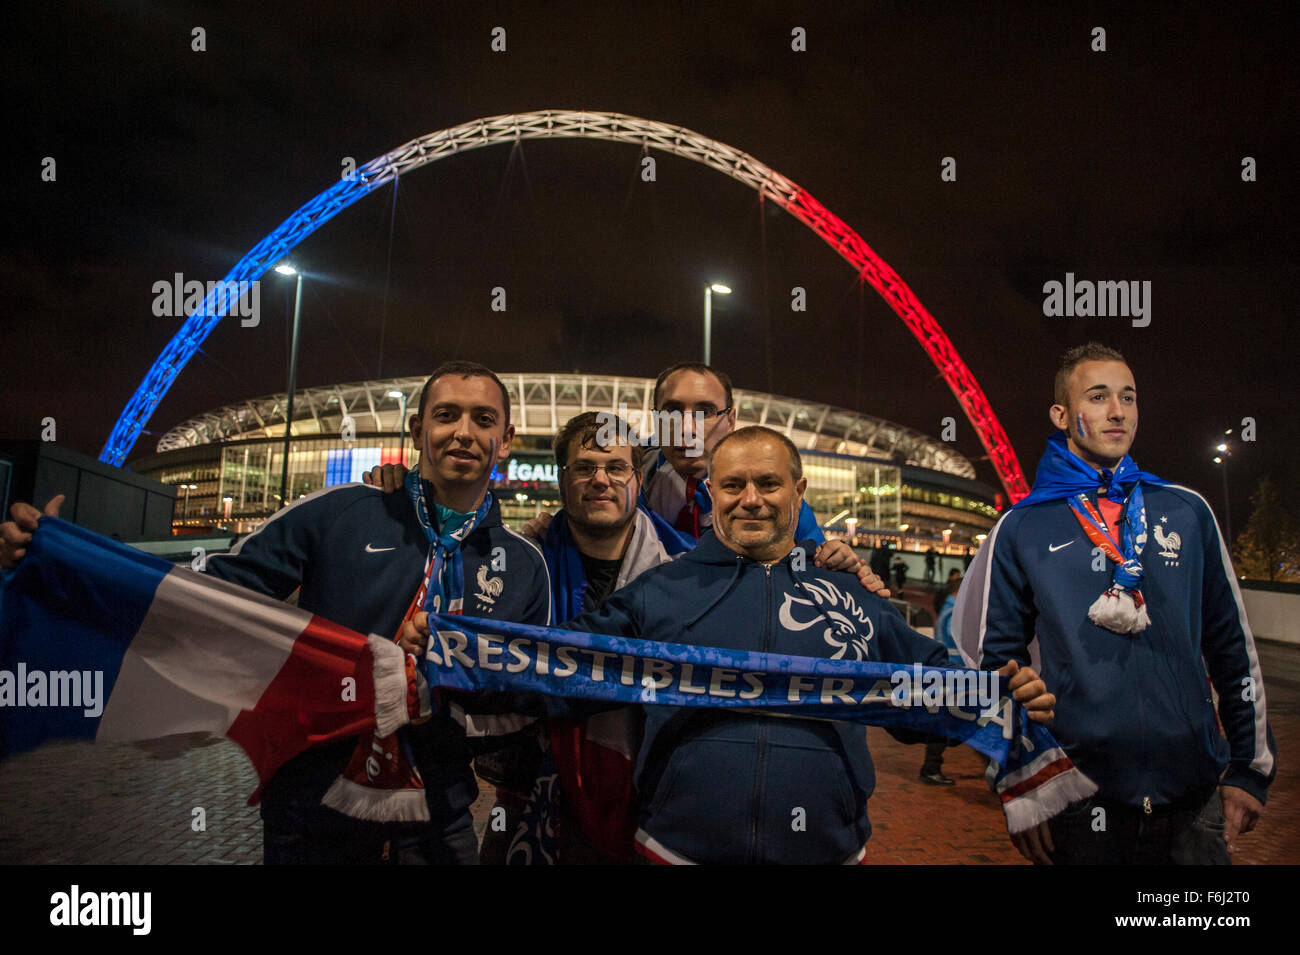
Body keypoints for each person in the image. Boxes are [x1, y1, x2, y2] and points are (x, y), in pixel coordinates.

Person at [400, 426, 1055, 864]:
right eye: (734, 484)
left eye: (769, 484)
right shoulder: (659, 592)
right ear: (712, 492)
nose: (751, 499)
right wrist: (454, 649)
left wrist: (1001, 694)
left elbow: (925, 695)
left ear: (799, 492)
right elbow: (559, 667)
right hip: (674, 852)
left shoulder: (854, 597)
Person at [1, 360, 553, 865]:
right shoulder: (336, 514)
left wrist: (440, 682)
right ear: (415, 432)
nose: (463, 431)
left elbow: (525, 702)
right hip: (311, 817)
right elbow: (199, 598)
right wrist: (63, 566)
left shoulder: (525, 566)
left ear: (505, 441)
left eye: (483, 419)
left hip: (439, 823)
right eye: (446, 414)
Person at [955, 342, 1276, 865]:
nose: (1118, 411)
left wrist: (1248, 769)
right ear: (1061, 415)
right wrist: (1020, 782)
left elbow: (1232, 649)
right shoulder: (1022, 527)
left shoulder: (1187, 510)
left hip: (1193, 801)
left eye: (1128, 397)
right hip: (1079, 800)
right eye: (1098, 396)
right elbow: (993, 669)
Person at [919, 573, 964, 786]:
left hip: (945, 671)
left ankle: (931, 767)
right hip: (951, 672)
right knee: (944, 723)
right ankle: (931, 768)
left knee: (944, 721)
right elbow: (957, 640)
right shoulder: (955, 610)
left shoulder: (948, 607)